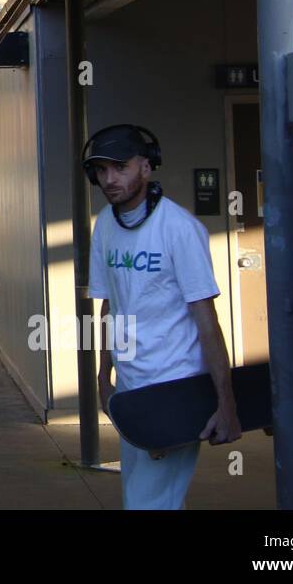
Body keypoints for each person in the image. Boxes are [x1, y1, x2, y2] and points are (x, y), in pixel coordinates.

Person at [83, 124, 241, 510]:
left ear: (146, 167)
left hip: (176, 388)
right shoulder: (105, 224)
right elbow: (109, 306)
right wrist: (103, 376)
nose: (109, 179)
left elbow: (207, 320)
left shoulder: (180, 229)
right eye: (101, 170)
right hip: (132, 390)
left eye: (119, 167)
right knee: (150, 497)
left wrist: (227, 403)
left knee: (147, 504)